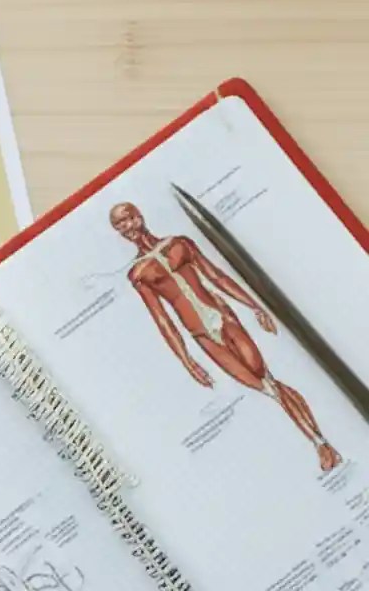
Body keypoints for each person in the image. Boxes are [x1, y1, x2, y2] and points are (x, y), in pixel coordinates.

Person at [109, 201, 342, 473]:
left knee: (267, 379)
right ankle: (322, 443)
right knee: (268, 387)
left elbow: (216, 277)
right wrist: (187, 360)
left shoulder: (179, 244)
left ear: (140, 215)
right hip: (201, 335)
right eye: (119, 225)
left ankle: (322, 445)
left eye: (128, 218)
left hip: (223, 319)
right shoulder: (137, 273)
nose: (127, 227)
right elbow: (163, 320)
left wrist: (254, 306)